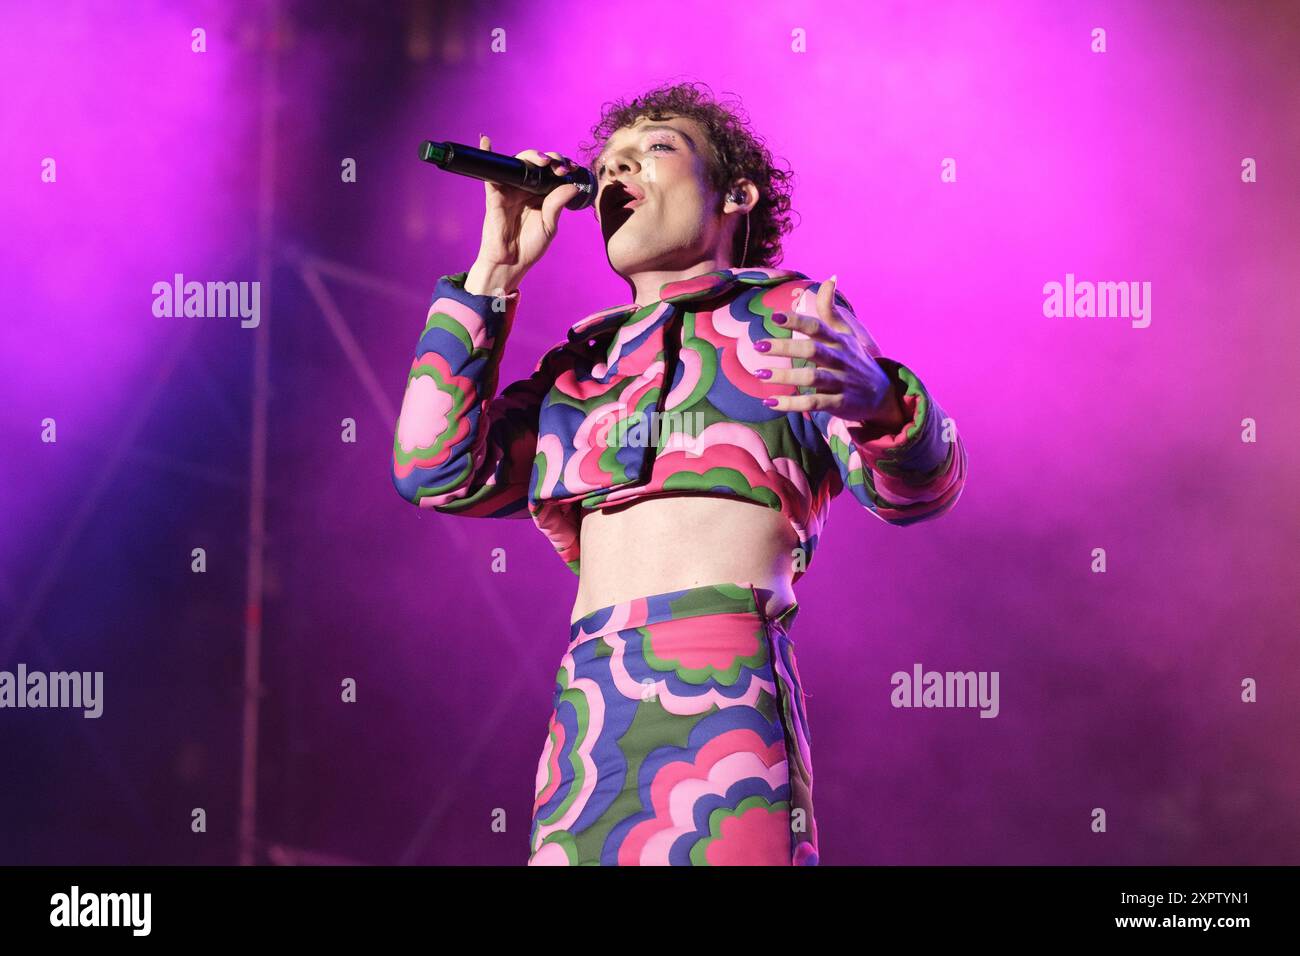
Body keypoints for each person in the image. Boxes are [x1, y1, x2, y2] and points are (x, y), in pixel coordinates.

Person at [391, 82, 968, 865]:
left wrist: (878, 402)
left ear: (736, 193)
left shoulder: (790, 316)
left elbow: (921, 490)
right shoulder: (577, 368)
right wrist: (495, 271)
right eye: (609, 162)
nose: (619, 166)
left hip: (725, 688)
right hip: (588, 706)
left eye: (655, 148)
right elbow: (433, 470)